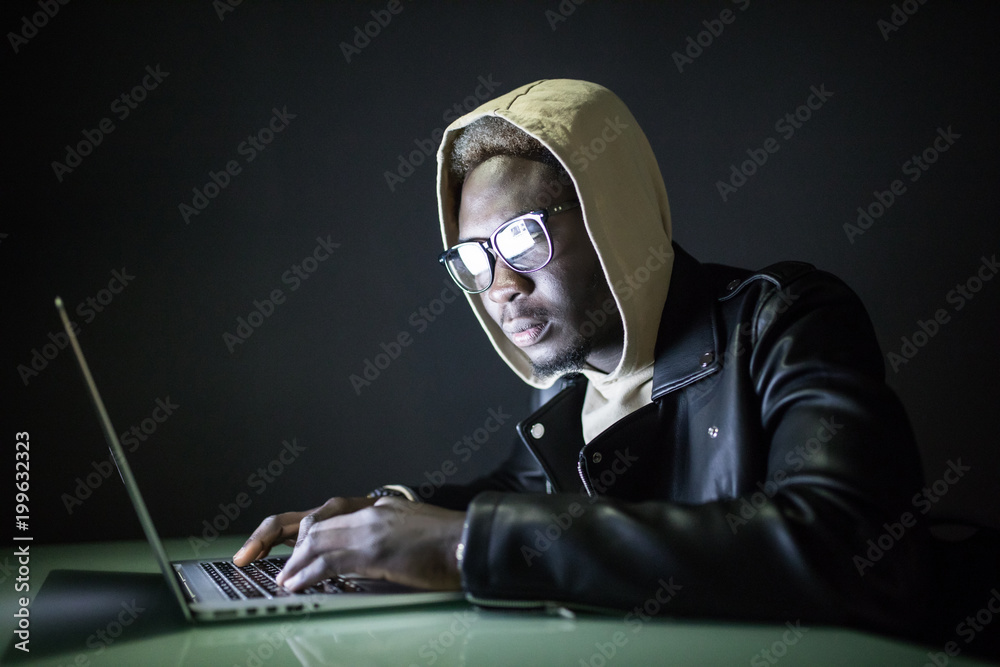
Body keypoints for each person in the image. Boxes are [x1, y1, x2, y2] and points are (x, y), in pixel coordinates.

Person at [234, 79, 928, 634]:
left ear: (613, 220)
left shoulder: (786, 319)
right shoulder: (573, 374)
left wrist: (464, 547)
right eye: (475, 258)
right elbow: (517, 493)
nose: (500, 286)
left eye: (523, 238)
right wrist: (385, 516)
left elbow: (843, 542)